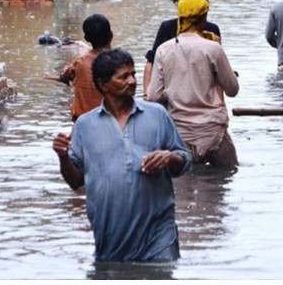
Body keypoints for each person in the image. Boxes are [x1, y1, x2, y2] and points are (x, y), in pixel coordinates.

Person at [52, 48, 192, 262]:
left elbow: (185, 160)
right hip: (110, 238)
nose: (133, 81)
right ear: (103, 84)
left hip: (159, 237)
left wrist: (169, 157)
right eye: (123, 77)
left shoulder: (157, 114)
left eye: (133, 74)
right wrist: (62, 156)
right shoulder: (85, 125)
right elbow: (75, 181)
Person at [147, 0, 240, 168]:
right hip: (213, 131)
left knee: (183, 188)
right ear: (204, 17)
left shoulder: (163, 50)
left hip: (178, 133)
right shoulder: (213, 48)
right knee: (225, 179)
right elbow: (232, 89)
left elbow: (153, 97)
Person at [143, 0, 221, 98]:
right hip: (171, 95)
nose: (189, 2)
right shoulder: (167, 27)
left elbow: (219, 72)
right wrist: (146, 95)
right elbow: (151, 62)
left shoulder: (212, 30)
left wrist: (220, 103)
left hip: (203, 96)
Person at [44, 14, 113, 122]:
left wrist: (55, 77)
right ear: (111, 35)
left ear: (86, 38)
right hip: (111, 122)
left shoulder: (80, 62)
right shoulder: (120, 63)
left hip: (83, 122)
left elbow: (66, 76)